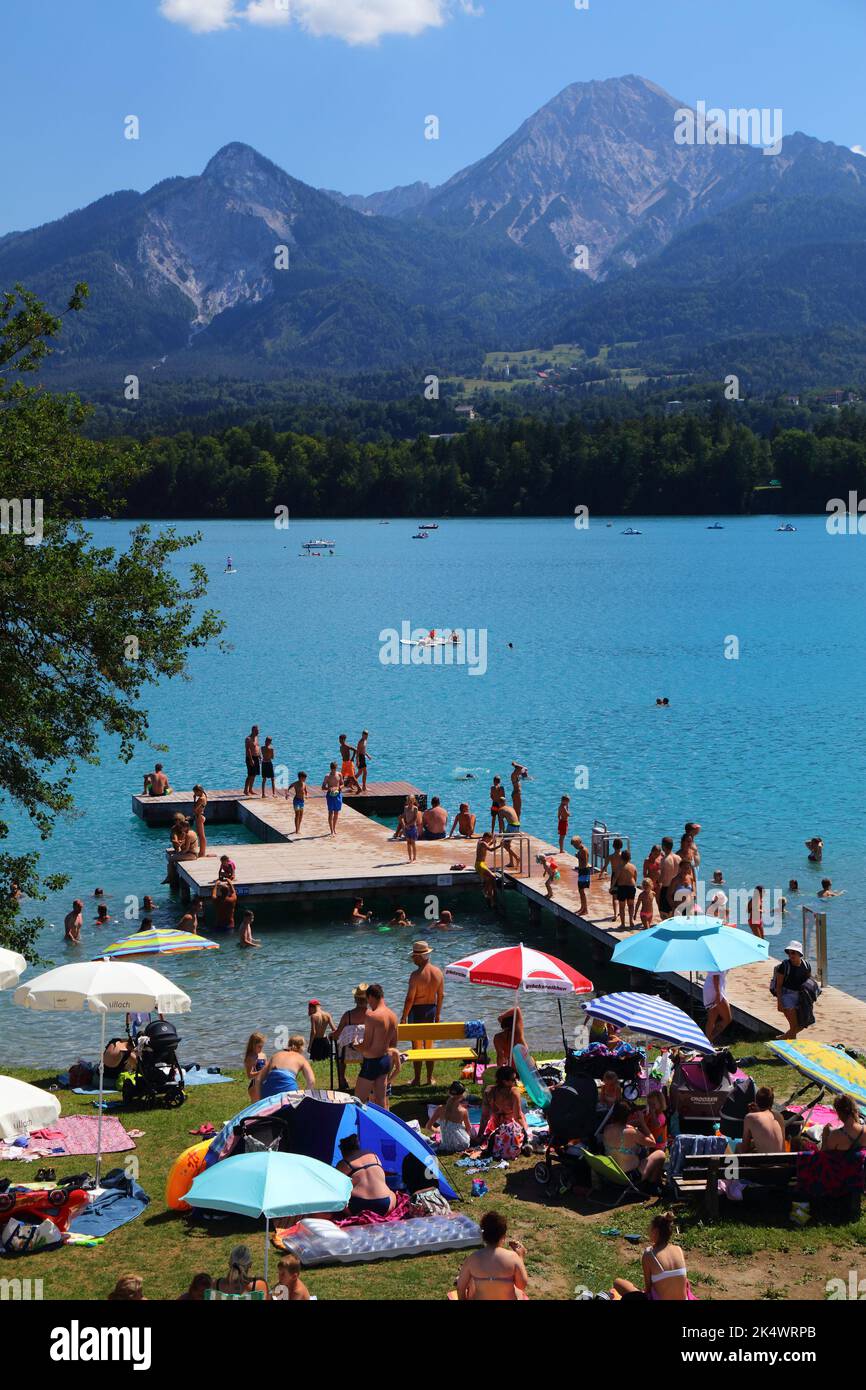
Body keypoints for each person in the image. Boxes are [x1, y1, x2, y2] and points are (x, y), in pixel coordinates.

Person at [612, 1211, 695, 1301]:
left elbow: (648, 1289)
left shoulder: (649, 1254)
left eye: (649, 1228)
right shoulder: (678, 1249)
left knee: (618, 1283)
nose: (648, 1230)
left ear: (655, 1231)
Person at [456, 1211, 528, 1301]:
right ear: (503, 1236)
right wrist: (520, 1257)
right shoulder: (513, 1257)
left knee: (472, 1281)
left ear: (482, 1236)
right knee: (516, 1288)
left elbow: (460, 1288)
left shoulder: (472, 1259)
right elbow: (522, 1285)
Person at [401, 941, 444, 1086]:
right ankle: (429, 1078)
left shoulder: (415, 975)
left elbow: (410, 999)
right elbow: (441, 995)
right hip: (431, 1009)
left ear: (420, 957)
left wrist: (403, 1017)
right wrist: (437, 1015)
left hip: (417, 1011)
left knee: (417, 1048)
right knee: (429, 1047)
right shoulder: (438, 972)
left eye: (414, 956)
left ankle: (417, 1079)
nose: (413, 959)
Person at [602, 1101, 666, 1190]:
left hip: (613, 1176)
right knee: (660, 1154)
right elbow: (652, 1143)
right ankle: (652, 1185)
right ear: (628, 1115)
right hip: (631, 1177)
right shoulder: (632, 1132)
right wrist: (643, 1123)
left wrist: (633, 1123)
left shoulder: (607, 1129)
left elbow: (621, 1128)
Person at [355, 984, 398, 1108]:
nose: (368, 1004)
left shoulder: (372, 1016)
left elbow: (366, 1045)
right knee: (381, 1101)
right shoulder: (393, 1015)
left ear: (370, 997)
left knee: (358, 1100)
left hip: (371, 1063)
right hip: (385, 1061)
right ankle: (383, 1126)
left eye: (368, 1000)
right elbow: (394, 1043)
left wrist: (355, 1045)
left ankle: (359, 1126)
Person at [337, 1134, 396, 1218]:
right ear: (357, 1146)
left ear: (342, 1150)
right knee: (391, 1193)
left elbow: (336, 1188)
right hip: (384, 1205)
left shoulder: (343, 1164)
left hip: (357, 1207)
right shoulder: (373, 1155)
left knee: (339, 1197)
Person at [480, 1066, 529, 1157]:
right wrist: (526, 1135)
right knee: (524, 1105)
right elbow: (517, 1117)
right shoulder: (514, 1092)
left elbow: (484, 1117)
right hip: (511, 1125)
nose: (515, 1081)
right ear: (504, 1081)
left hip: (496, 1125)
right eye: (513, 1079)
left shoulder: (488, 1091)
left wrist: (480, 1135)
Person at [254, 1035, 315, 1100]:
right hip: (288, 1088)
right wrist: (304, 1098)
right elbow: (311, 1081)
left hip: (268, 1089)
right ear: (301, 1047)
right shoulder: (301, 1058)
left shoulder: (276, 1055)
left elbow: (258, 1079)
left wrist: (258, 1100)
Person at [772, 941, 813, 1039]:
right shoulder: (784, 965)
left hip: (801, 997)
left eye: (793, 952)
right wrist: (780, 1003)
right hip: (787, 996)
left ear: (799, 954)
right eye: (789, 952)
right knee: (794, 1026)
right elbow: (779, 986)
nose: (791, 955)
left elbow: (808, 983)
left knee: (803, 1024)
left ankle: (781, 1038)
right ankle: (791, 1046)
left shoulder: (806, 965)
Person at [333, 984, 369, 1091]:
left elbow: (337, 1034)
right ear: (368, 999)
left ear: (355, 999)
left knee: (339, 1054)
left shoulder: (347, 1015)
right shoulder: (372, 1015)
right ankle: (366, 1079)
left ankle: (341, 1079)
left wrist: (332, 1035)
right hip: (366, 1054)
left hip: (346, 1055)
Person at [429, 1081, 474, 1153]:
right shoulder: (463, 1111)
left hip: (446, 1145)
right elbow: (469, 1128)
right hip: (462, 1144)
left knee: (446, 1126)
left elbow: (428, 1126)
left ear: (449, 1093)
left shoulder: (440, 1109)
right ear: (462, 1095)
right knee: (465, 1126)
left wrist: (438, 1131)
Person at [742, 1087, 785, 1153]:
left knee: (738, 1146)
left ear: (756, 1101)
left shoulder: (750, 1117)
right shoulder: (779, 1116)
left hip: (766, 1161)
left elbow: (745, 1147)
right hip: (784, 1160)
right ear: (772, 1102)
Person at [703, 966, 731, 1043]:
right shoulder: (717, 962)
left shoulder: (719, 960)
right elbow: (715, 977)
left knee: (711, 1020)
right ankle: (710, 1039)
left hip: (712, 989)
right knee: (727, 1019)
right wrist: (718, 995)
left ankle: (707, 1043)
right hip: (715, 990)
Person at [612, 849, 638, 929]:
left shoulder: (619, 867)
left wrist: (612, 887)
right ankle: (631, 921)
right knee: (631, 905)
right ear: (630, 858)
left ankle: (623, 924)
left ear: (621, 858)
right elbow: (635, 877)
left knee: (622, 906)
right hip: (631, 887)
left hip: (622, 887)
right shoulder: (633, 867)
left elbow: (615, 878)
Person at [475, 832, 500, 906]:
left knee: (489, 879)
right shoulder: (483, 843)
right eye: (489, 839)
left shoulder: (480, 841)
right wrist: (500, 846)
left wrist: (492, 842)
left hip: (481, 864)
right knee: (493, 876)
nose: (489, 841)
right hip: (480, 865)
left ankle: (491, 899)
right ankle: (485, 890)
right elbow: (491, 850)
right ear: (486, 837)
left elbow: (487, 846)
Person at [657, 838, 680, 918]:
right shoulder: (678, 858)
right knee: (674, 911)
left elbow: (662, 877)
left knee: (664, 913)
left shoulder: (664, 860)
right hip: (677, 888)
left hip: (666, 888)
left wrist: (657, 882)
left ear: (663, 846)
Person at [602, 837, 624, 918]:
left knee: (614, 897)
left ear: (613, 846)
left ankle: (615, 913)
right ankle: (621, 913)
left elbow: (605, 866)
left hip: (614, 875)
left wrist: (601, 873)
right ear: (621, 846)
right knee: (622, 896)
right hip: (622, 875)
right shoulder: (623, 856)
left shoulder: (610, 856)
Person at [321, 762, 344, 836]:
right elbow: (323, 787)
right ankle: (331, 831)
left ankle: (334, 828)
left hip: (338, 795)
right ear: (330, 768)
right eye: (332, 769)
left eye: (335, 769)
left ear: (336, 768)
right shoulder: (327, 776)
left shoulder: (339, 774)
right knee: (330, 812)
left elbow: (342, 784)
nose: (334, 770)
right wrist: (329, 788)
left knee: (336, 812)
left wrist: (339, 787)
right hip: (330, 795)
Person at [571, 835, 591, 915]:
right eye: (574, 846)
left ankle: (585, 909)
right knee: (580, 890)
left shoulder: (583, 850)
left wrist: (578, 856)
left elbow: (585, 862)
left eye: (576, 845)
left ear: (580, 842)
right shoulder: (580, 849)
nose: (575, 847)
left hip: (584, 871)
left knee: (582, 891)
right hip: (581, 870)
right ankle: (582, 907)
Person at [243, 1030, 268, 1096]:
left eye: (262, 1046)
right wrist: (261, 1072)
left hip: (264, 1084)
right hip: (254, 1086)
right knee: (258, 1105)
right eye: (259, 1046)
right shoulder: (250, 1057)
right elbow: (249, 1075)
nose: (261, 1048)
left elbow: (266, 1069)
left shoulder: (263, 1055)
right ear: (253, 1045)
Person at [402, 795, 421, 862]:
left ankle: (414, 858)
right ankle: (410, 857)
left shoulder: (415, 808)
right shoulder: (405, 808)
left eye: (411, 801)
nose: (410, 802)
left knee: (413, 843)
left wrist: (409, 824)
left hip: (412, 827)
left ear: (413, 801)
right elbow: (404, 817)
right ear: (407, 801)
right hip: (407, 827)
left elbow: (415, 818)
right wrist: (405, 824)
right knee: (408, 843)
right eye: (408, 801)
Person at [244, 726, 261, 798]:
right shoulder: (248, 739)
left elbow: (257, 746)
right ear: (253, 730)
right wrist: (251, 760)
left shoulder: (256, 738)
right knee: (250, 774)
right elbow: (248, 750)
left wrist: (260, 755)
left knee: (254, 774)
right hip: (250, 758)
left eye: (258, 730)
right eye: (257, 731)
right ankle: (245, 790)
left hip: (256, 757)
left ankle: (250, 789)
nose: (258, 732)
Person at [192, 784, 207, 858]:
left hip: (199, 817)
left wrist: (194, 799)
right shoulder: (204, 795)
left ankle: (202, 852)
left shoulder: (201, 799)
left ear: (199, 791)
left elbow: (194, 809)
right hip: (200, 816)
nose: (195, 794)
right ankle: (202, 851)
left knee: (201, 836)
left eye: (195, 792)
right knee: (200, 835)